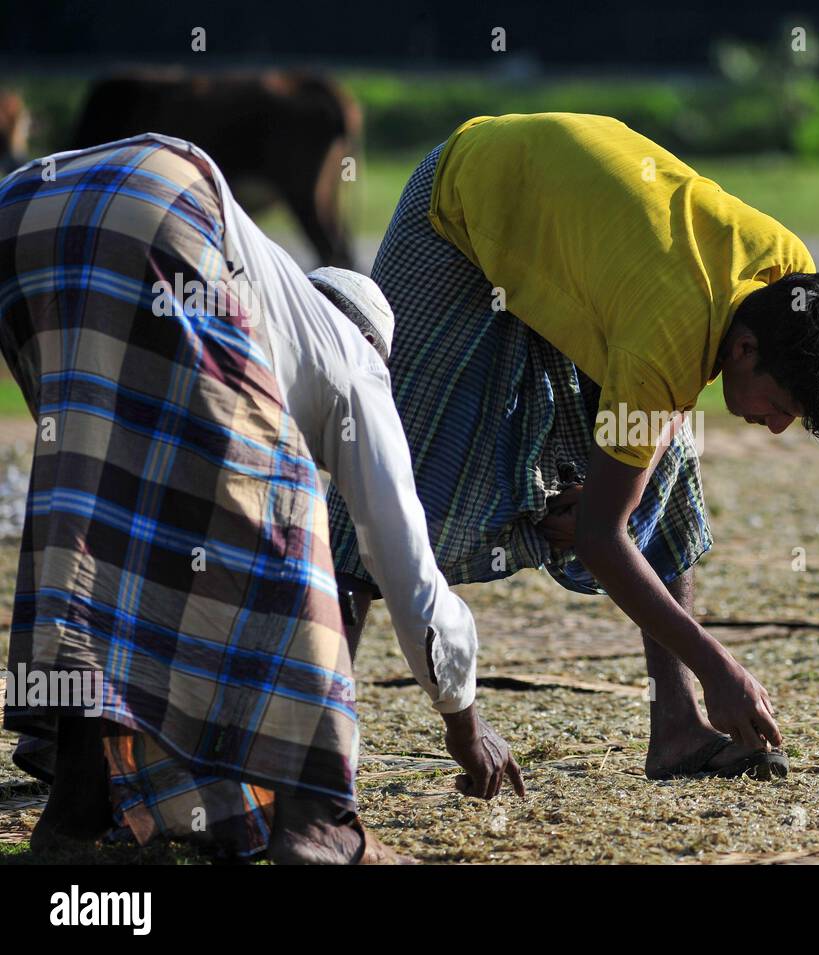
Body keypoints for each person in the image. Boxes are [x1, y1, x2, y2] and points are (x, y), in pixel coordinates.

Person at [0, 133, 518, 864]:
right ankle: (315, 826)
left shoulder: (265, 308)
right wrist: (464, 722)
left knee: (105, 532)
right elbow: (406, 563)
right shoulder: (352, 361)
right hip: (167, 196)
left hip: (28, 210)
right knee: (284, 514)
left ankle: (75, 818)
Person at [328, 113, 819, 782]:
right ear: (744, 350)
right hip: (466, 206)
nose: (775, 428)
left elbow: (658, 413)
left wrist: (621, 489)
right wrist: (720, 667)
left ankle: (676, 727)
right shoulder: (669, 336)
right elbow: (600, 538)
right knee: (384, 486)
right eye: (783, 409)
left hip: (572, 231)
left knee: (667, 474)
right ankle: (310, 746)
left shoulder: (786, 274)